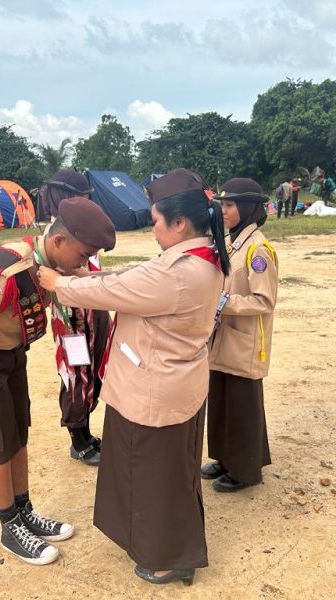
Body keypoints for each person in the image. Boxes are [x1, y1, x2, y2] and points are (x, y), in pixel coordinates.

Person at [38, 168, 229, 586]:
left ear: (180, 223)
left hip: (155, 391)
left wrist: (58, 282)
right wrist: (86, 276)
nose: (153, 229)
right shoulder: (202, 258)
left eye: (156, 221)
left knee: (155, 478)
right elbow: (129, 280)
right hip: (171, 385)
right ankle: (162, 547)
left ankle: (168, 558)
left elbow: (116, 292)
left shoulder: (178, 273)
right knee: (164, 473)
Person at [0, 197, 116, 566]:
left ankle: (24, 511)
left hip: (10, 354)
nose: (85, 262)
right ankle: (9, 526)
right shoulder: (9, 273)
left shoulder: (52, 261)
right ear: (59, 241)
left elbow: (88, 281)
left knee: (17, 436)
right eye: (83, 254)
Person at [202, 178, 278, 492]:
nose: (223, 210)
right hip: (223, 338)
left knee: (242, 407)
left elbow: (264, 301)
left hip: (244, 341)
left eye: (230, 205)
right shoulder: (233, 241)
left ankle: (245, 470)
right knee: (221, 402)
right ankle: (225, 457)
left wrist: (223, 302)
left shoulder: (258, 250)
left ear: (247, 208)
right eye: (222, 204)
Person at [39, 169, 111, 466]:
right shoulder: (57, 234)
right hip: (72, 319)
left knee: (93, 371)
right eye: (80, 196)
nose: (85, 201)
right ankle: (77, 439)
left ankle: (86, 432)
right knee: (76, 375)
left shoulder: (85, 225)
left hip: (93, 309)